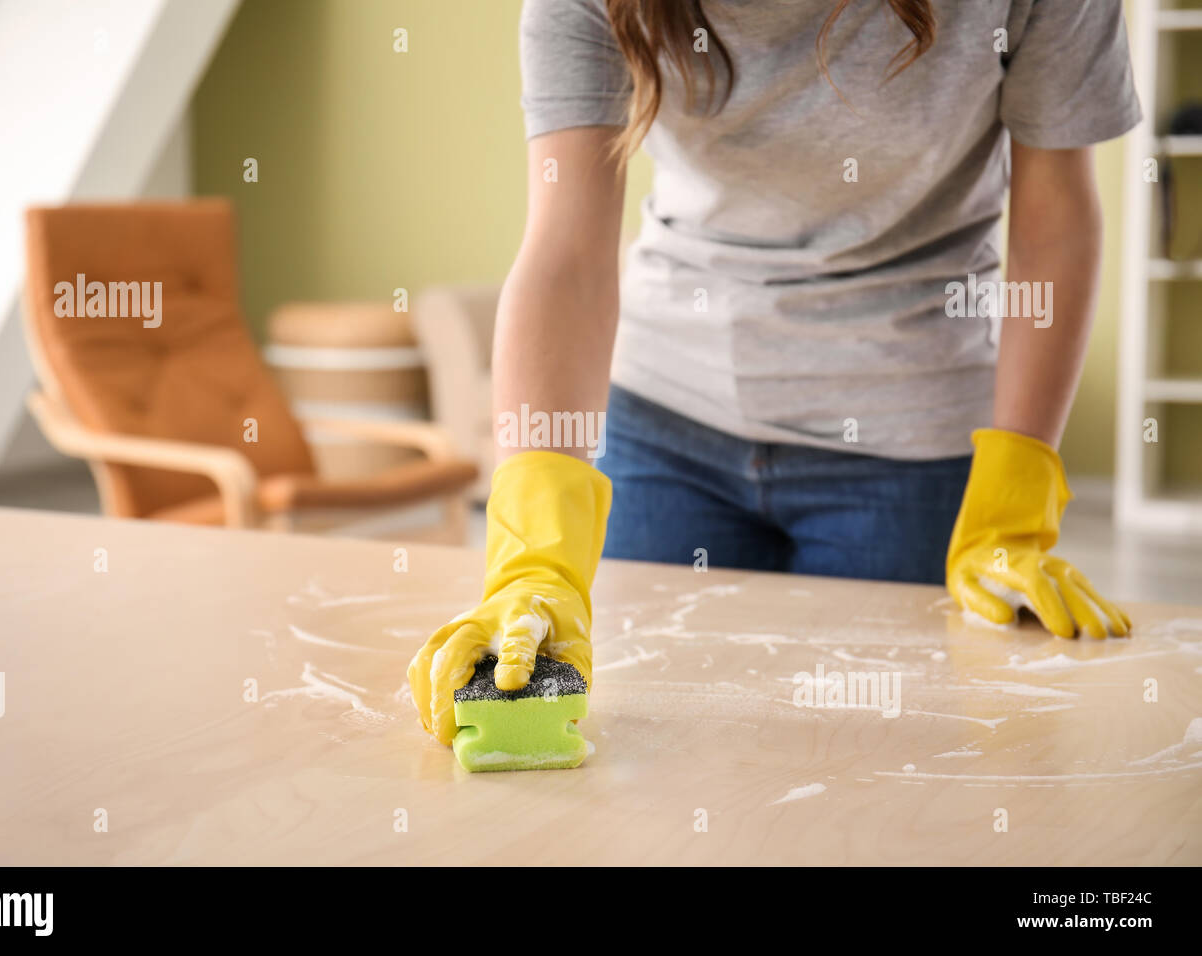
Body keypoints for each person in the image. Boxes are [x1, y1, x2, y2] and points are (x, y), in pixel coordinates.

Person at [409, 0, 1138, 743]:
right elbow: (567, 256)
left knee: (886, 766)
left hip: (908, 445)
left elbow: (1055, 227)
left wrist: (1017, 495)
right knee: (665, 783)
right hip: (664, 426)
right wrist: (532, 555)